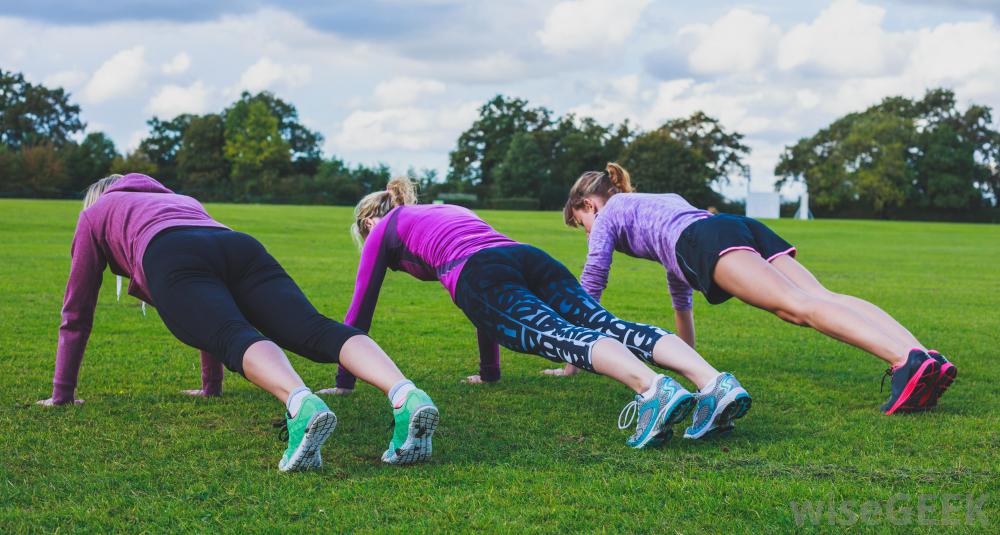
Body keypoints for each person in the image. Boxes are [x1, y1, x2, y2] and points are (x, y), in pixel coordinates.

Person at [39, 173, 439, 470]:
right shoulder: (181, 199)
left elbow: (76, 314)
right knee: (315, 328)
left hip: (168, 252)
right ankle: (406, 394)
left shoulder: (97, 213)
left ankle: (300, 406)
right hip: (238, 245)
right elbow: (212, 298)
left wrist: (62, 394)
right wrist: (210, 387)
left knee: (233, 334)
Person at [330, 177, 752, 446]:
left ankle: (652, 389)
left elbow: (358, 314)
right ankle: (713, 382)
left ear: (368, 224)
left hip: (480, 274)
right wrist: (489, 372)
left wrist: (345, 382)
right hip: (527, 257)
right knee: (607, 323)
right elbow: (484, 294)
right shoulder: (445, 211)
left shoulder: (381, 230)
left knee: (558, 335)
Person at [560, 163, 957, 415]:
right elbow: (680, 296)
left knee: (796, 306)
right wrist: (691, 362)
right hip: (731, 225)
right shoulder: (651, 203)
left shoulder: (610, 211)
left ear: (587, 205)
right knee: (822, 297)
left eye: (580, 223)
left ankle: (903, 361)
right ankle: (923, 356)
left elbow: (594, 276)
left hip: (703, 241)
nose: (587, 232)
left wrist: (573, 355)